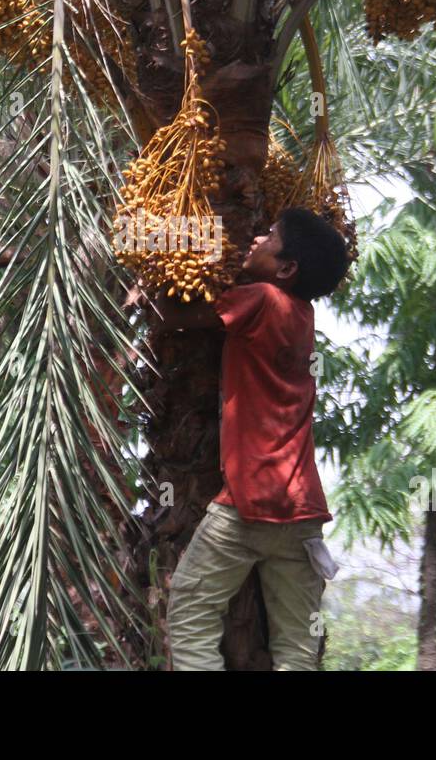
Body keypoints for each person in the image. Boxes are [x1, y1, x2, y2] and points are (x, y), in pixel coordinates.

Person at [148, 206, 351, 671]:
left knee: (191, 618)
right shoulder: (303, 315)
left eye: (270, 236)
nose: (256, 239)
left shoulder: (260, 299)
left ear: (286, 269)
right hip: (302, 514)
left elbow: (179, 317)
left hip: (247, 506)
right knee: (297, 648)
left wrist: (152, 280)